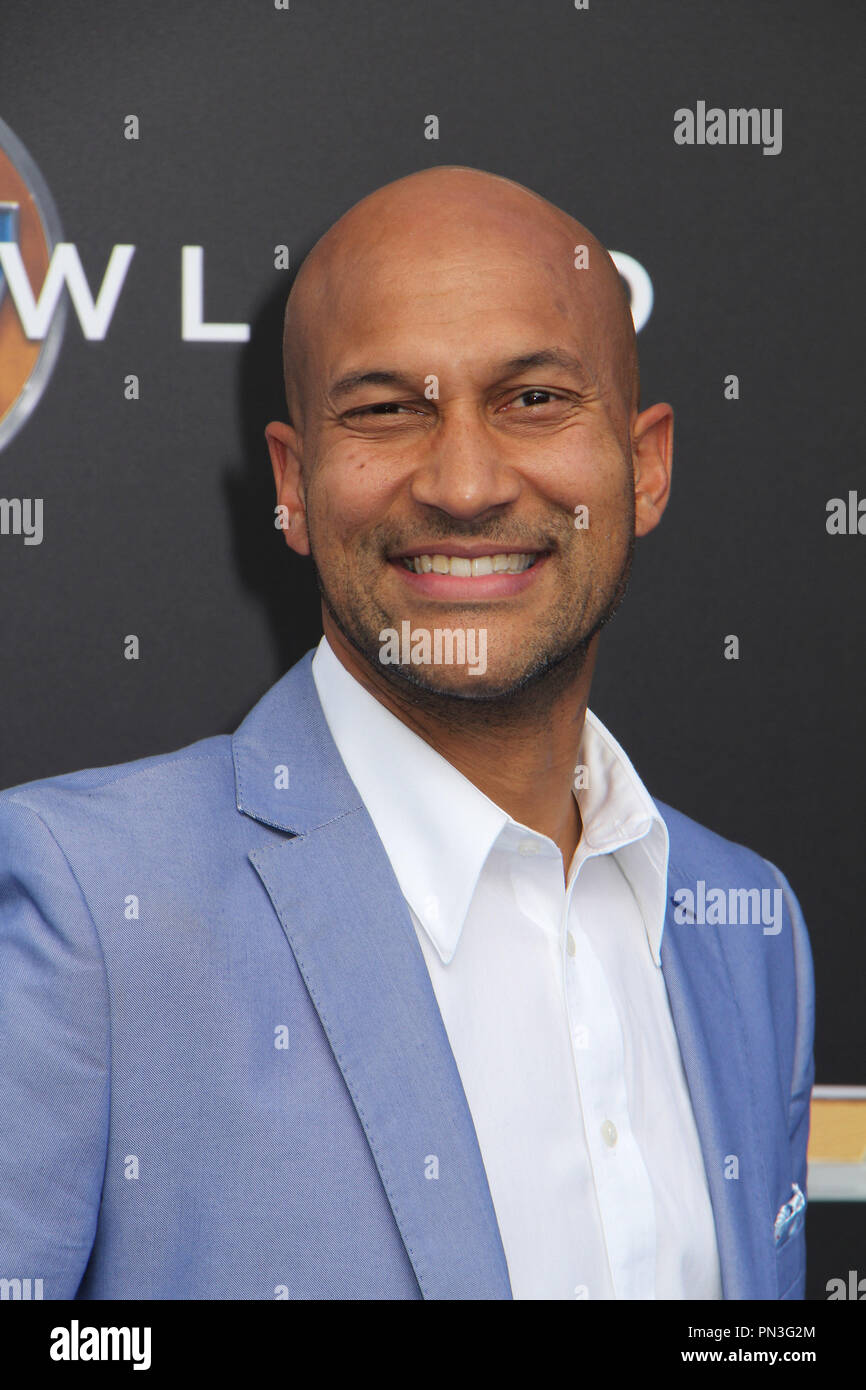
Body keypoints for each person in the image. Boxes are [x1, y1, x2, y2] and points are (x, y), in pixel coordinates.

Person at [0, 166, 813, 1301]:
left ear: (645, 466)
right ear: (290, 484)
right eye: (387, 410)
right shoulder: (92, 909)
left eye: (533, 398)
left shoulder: (747, 922)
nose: (466, 483)